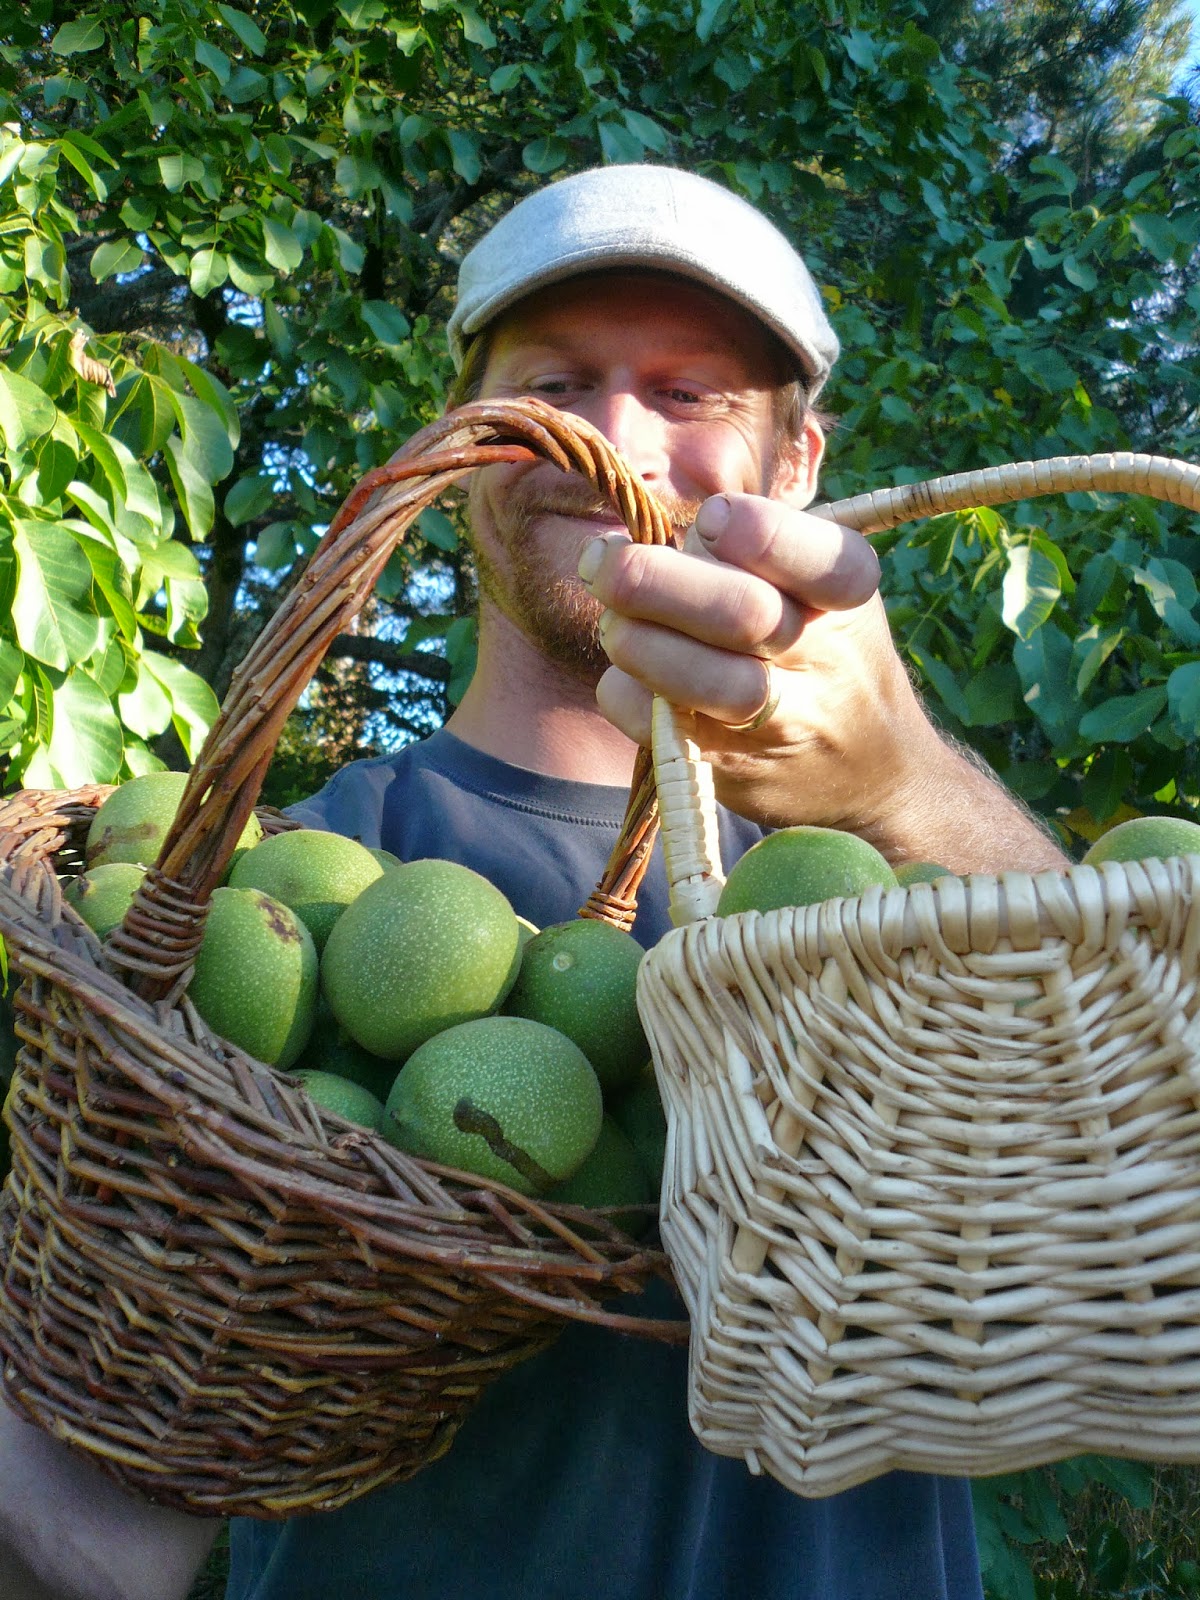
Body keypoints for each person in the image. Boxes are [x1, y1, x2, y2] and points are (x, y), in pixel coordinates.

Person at [0, 163, 1065, 1600]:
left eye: (690, 393)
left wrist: (902, 786)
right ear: (466, 444)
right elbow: (120, 1507)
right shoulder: (288, 871)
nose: (611, 431)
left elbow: (1149, 1172)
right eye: (554, 381)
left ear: (798, 464)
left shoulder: (890, 884)